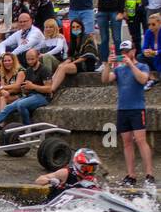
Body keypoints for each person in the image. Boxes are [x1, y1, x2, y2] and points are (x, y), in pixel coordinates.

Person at [101, 40, 154, 186]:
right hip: (123, 109)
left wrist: (130, 64)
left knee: (141, 140)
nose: (124, 54)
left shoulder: (142, 66)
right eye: (122, 52)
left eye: (127, 51)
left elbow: (143, 79)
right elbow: (105, 79)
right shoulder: (119, 70)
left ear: (133, 51)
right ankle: (131, 175)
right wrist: (107, 64)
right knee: (127, 142)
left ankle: (149, 173)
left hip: (137, 108)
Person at [0, 45, 53, 132]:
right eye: (28, 59)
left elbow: (49, 89)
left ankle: (27, 128)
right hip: (31, 95)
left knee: (20, 104)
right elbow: (24, 88)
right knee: (9, 107)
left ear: (37, 57)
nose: (30, 61)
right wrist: (25, 89)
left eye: (32, 59)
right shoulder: (28, 70)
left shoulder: (44, 70)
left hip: (43, 96)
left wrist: (33, 86)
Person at [46, 18, 97, 96]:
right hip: (75, 62)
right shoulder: (73, 39)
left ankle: (51, 90)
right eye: (73, 27)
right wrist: (66, 62)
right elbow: (71, 55)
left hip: (85, 63)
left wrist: (72, 62)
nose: (75, 29)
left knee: (64, 68)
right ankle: (48, 86)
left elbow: (87, 55)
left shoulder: (88, 38)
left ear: (81, 27)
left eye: (77, 27)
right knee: (60, 66)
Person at [34, 148, 100, 192]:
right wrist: (50, 181)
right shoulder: (65, 173)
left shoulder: (93, 180)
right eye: (87, 168)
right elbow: (38, 180)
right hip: (53, 206)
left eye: (92, 169)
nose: (89, 172)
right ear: (78, 165)